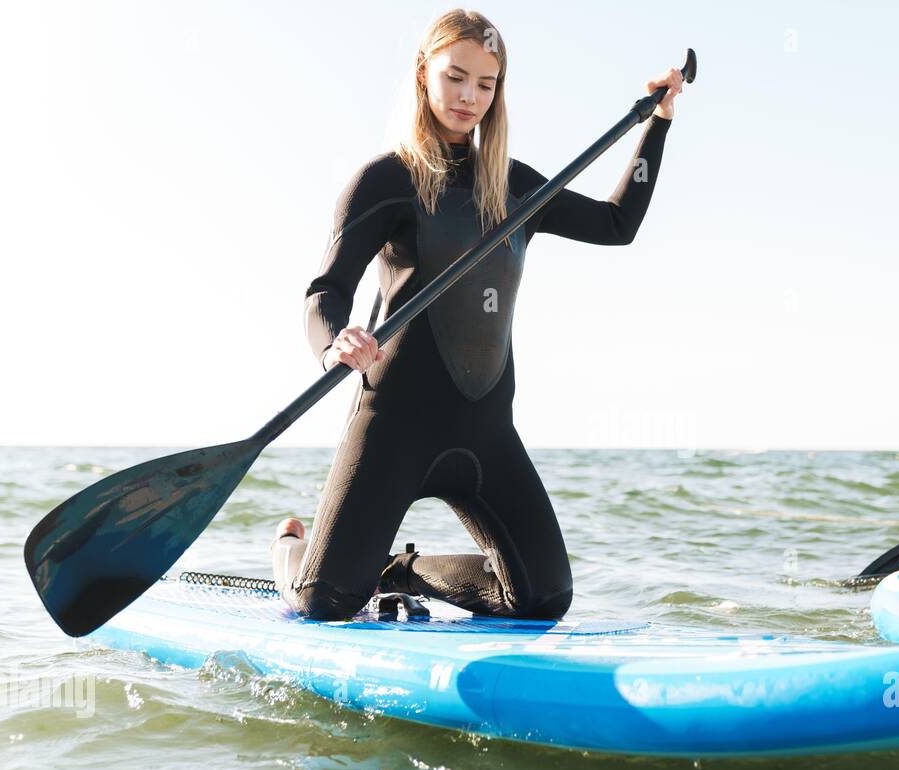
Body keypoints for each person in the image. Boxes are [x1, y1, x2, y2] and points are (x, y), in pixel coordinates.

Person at [270, 9, 684, 619]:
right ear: (423, 74)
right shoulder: (385, 181)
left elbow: (616, 224)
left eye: (486, 84)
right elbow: (324, 290)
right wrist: (335, 343)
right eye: (455, 77)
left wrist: (658, 126)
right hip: (393, 427)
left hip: (484, 431)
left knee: (543, 599)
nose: (470, 97)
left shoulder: (516, 187)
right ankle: (291, 554)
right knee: (324, 603)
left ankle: (401, 572)